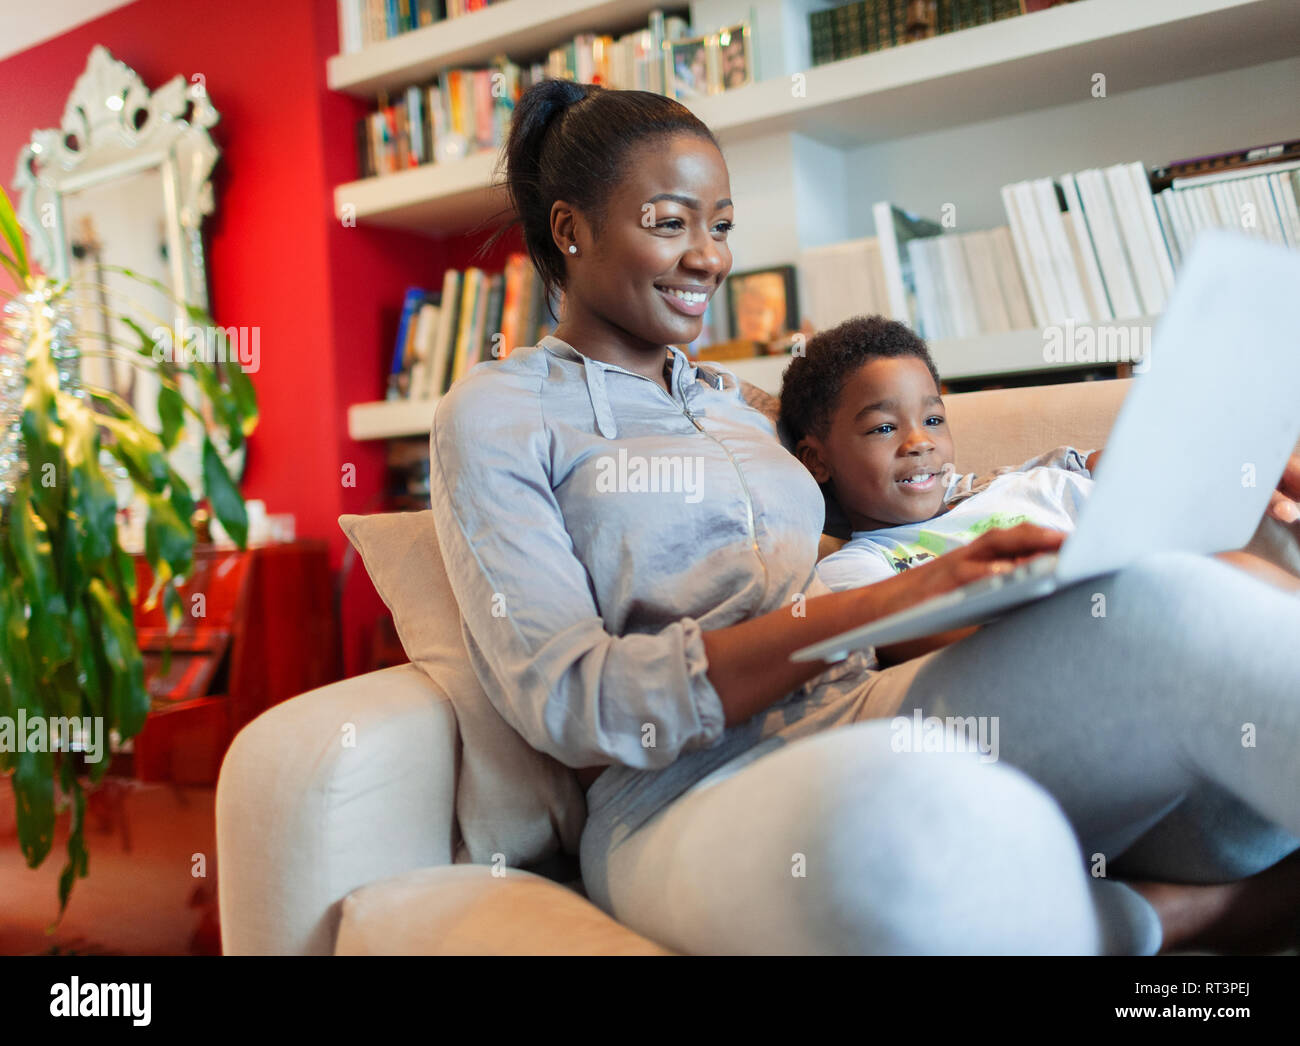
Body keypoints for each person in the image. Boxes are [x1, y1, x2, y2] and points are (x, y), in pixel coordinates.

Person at [429, 79, 1300, 955]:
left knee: (1175, 607)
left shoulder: (743, 405)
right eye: (670, 222)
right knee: (910, 820)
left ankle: (1168, 900)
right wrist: (880, 607)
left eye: (722, 226)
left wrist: (1160, 469)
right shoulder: (499, 414)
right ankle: (1182, 917)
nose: (710, 258)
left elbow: (910, 491)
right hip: (677, 794)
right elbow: (576, 702)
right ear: (571, 229)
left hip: (863, 703)